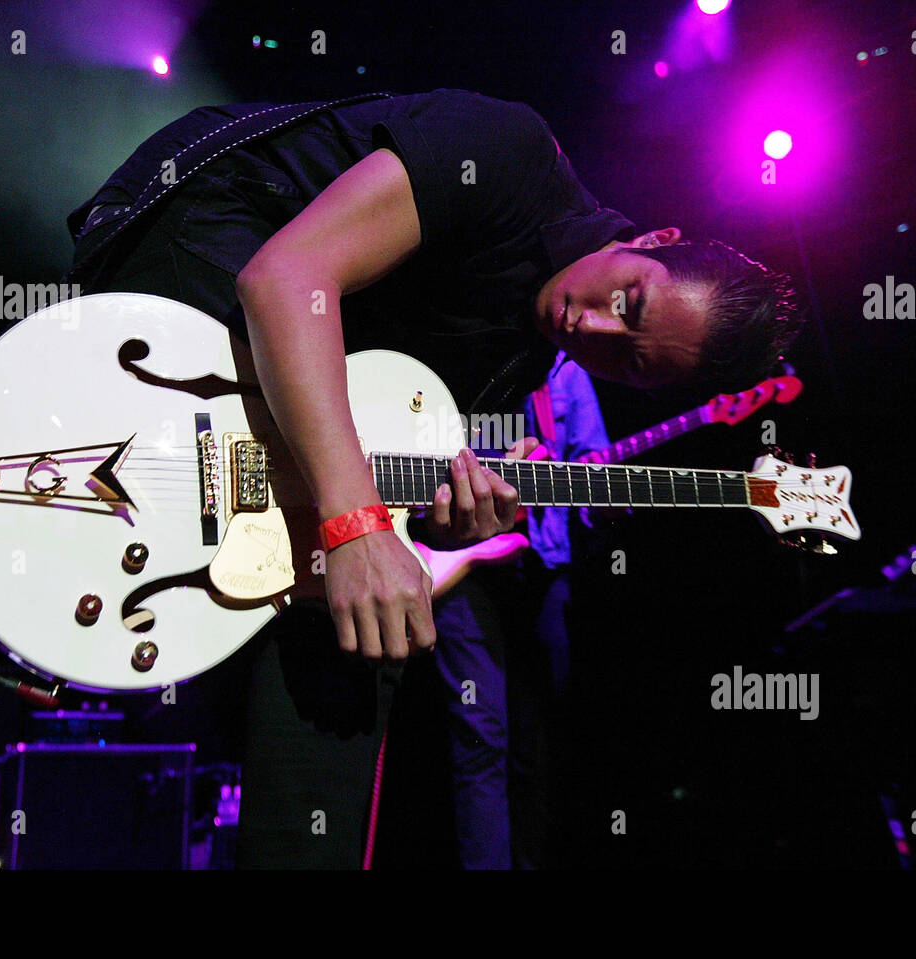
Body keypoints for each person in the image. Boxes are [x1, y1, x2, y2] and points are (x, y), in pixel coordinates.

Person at [65, 87, 799, 868]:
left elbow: (368, 434)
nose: (594, 328)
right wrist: (356, 526)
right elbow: (286, 279)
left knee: (374, 623)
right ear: (653, 237)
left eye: (627, 360)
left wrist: (442, 523)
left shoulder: (520, 364)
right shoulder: (513, 155)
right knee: (359, 548)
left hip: (274, 391)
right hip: (191, 217)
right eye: (629, 299)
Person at [430, 352, 612, 868]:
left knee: (539, 742)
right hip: (459, 565)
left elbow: (594, 459)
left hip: (541, 564)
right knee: (481, 735)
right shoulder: (467, 349)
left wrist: (603, 493)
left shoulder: (565, 368)